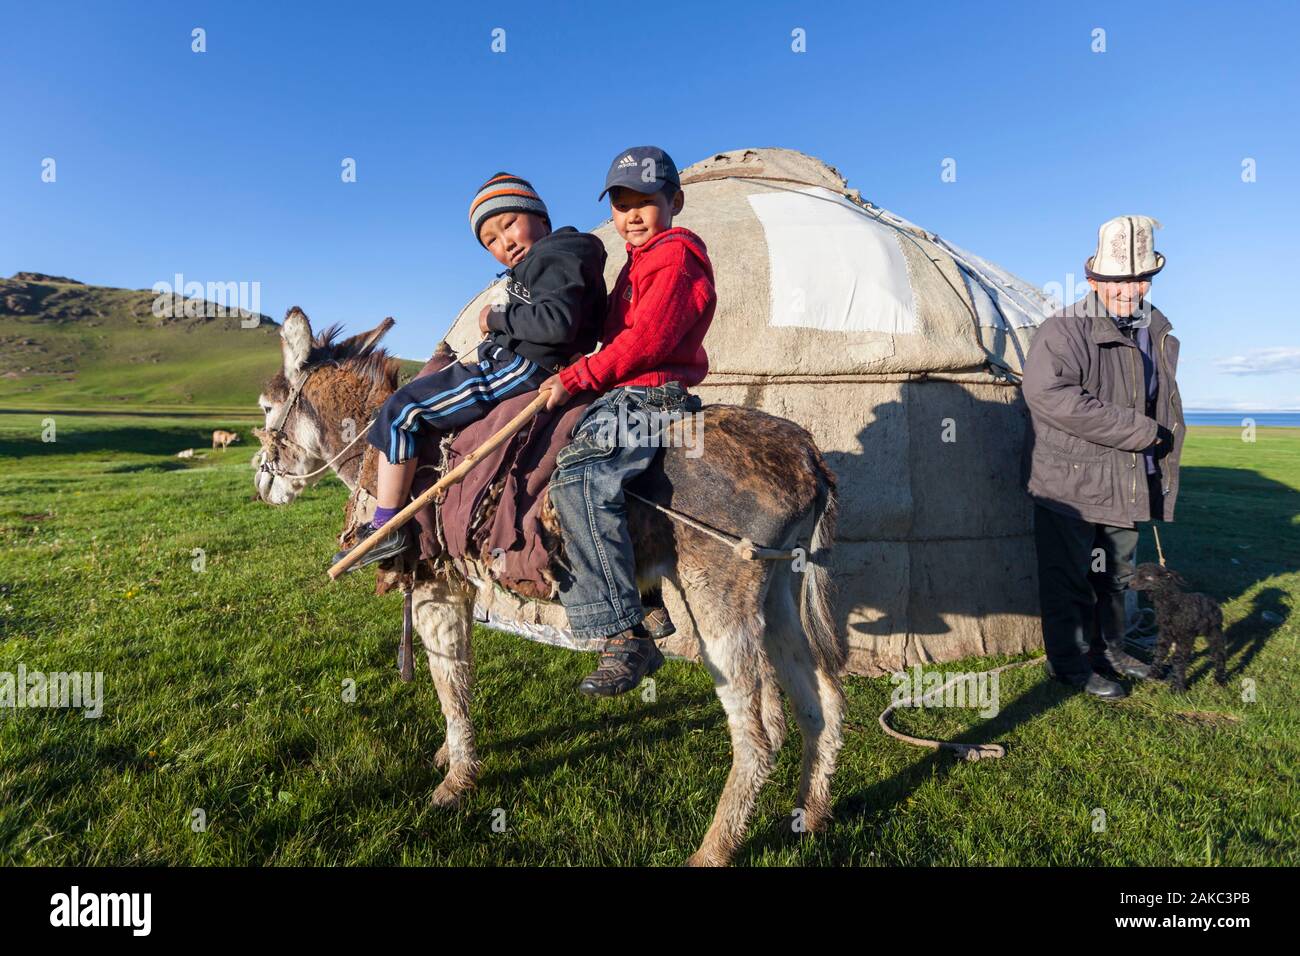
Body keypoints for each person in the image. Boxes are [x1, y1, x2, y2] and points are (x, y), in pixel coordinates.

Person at [331, 173, 607, 570]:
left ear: (541, 218)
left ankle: (386, 526)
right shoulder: (547, 262)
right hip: (518, 359)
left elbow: (556, 323)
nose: (505, 242)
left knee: (402, 411)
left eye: (509, 223)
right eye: (491, 240)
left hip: (523, 367)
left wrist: (495, 317)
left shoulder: (558, 253)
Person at [539, 146, 716, 697]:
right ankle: (645, 597)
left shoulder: (676, 256)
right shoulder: (636, 264)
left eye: (647, 202)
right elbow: (614, 335)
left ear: (675, 202)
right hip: (625, 395)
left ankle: (624, 634)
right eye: (622, 204)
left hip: (650, 398)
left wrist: (582, 376)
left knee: (580, 481)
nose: (633, 214)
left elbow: (650, 340)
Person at [1022, 215, 1185, 699]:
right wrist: (1141, 433)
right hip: (1068, 484)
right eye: (1116, 280)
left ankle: (1109, 648)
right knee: (1069, 578)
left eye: (1138, 279)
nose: (1128, 289)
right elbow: (1049, 395)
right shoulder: (1064, 330)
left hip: (1125, 479)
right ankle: (1070, 663)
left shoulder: (1154, 330)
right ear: (1093, 279)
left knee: (1115, 576)